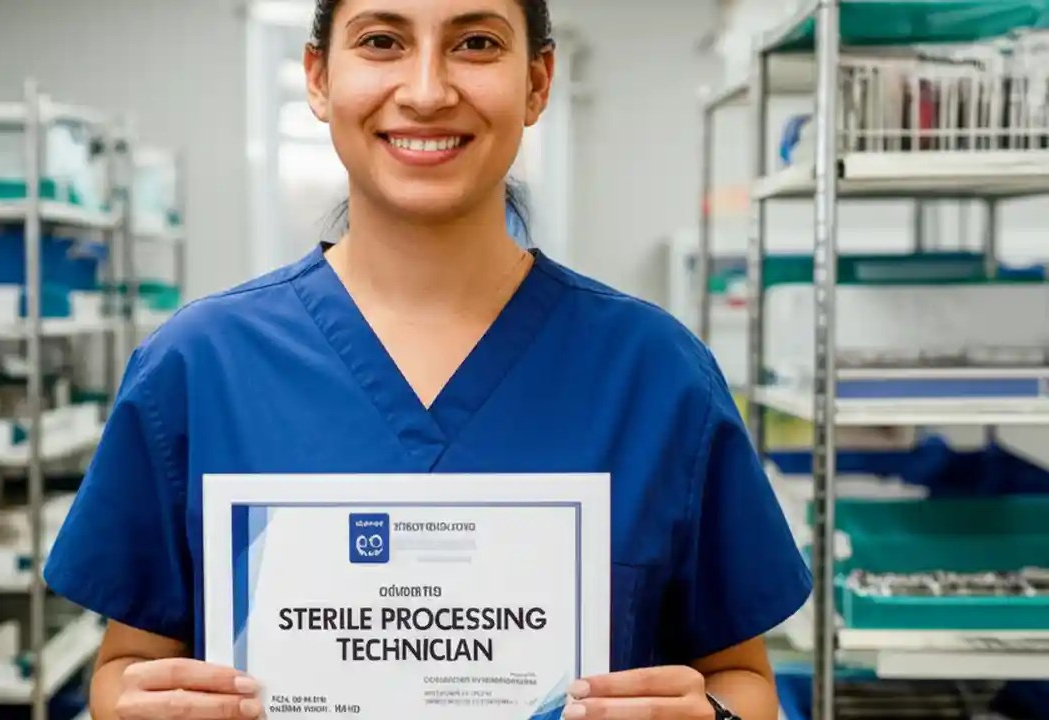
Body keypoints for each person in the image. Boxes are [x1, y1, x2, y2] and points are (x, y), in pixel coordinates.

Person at [43, 0, 813, 718]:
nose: (426, 90)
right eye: (382, 42)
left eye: (475, 43)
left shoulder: (655, 375)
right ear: (319, 77)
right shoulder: (198, 368)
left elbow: (742, 677)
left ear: (538, 82)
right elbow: (124, 670)